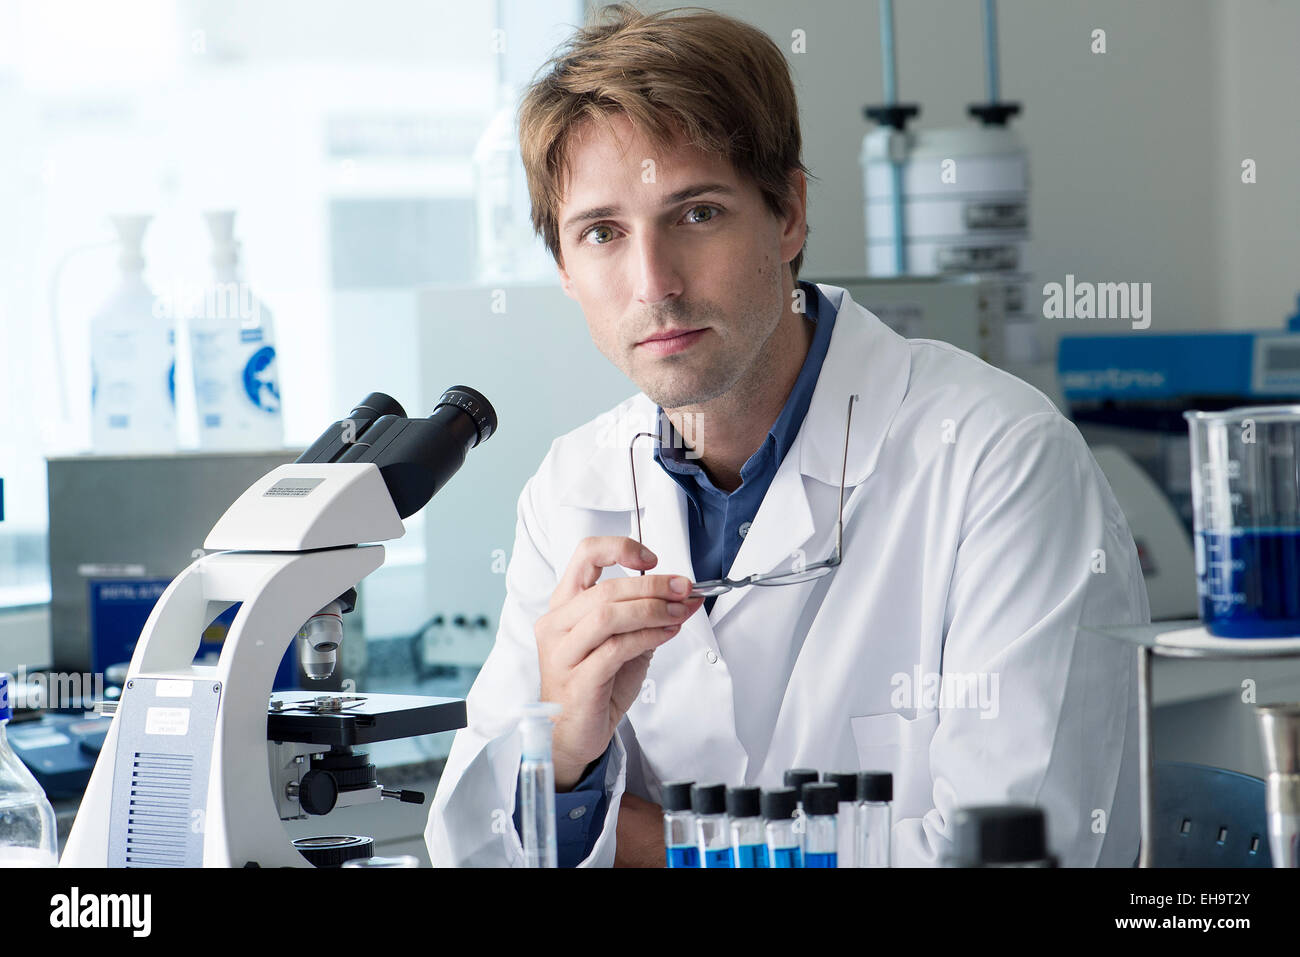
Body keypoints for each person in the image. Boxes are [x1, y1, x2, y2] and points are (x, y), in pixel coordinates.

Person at [425, 2, 1145, 867]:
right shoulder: (568, 490)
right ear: (566, 271)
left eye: (696, 213)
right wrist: (568, 763)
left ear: (790, 214)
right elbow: (475, 840)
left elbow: (1011, 854)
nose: (654, 283)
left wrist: (645, 839)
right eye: (603, 233)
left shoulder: (1001, 460)